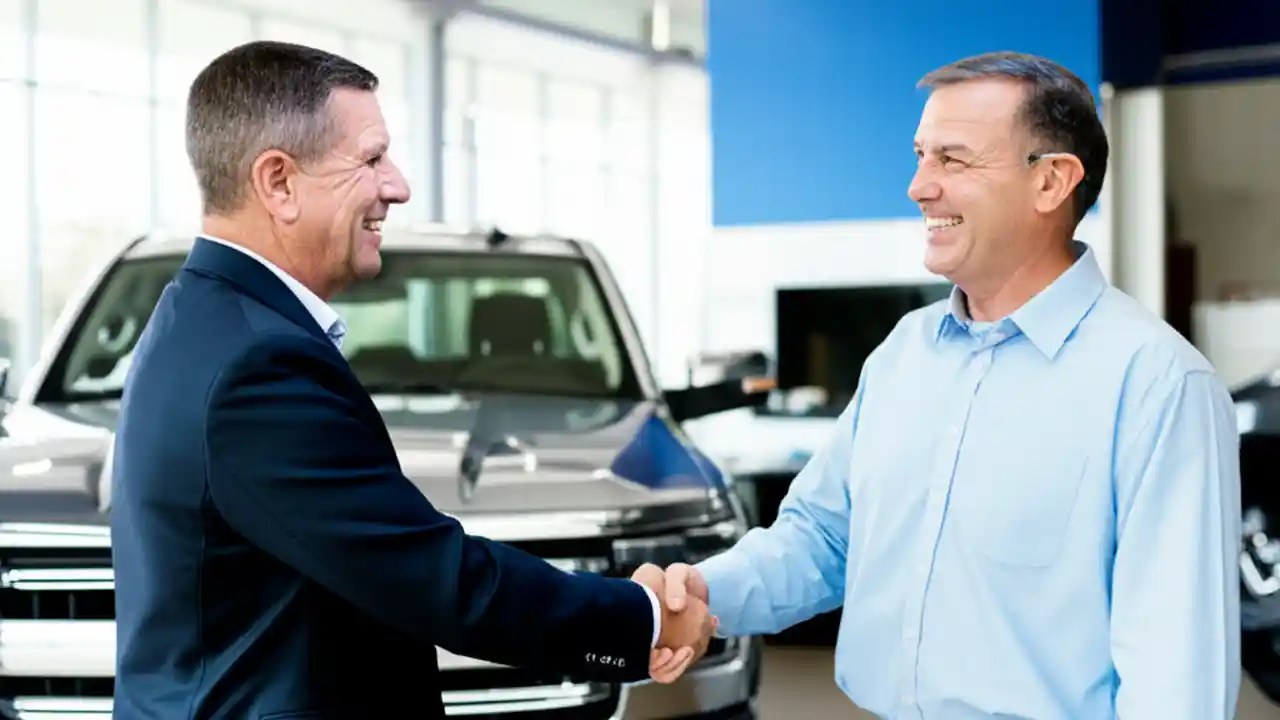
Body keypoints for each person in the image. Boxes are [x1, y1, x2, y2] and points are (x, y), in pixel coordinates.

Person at [110, 40, 712, 719]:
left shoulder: (199, 317)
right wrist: (643, 620)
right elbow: (435, 580)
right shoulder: (259, 365)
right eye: (370, 158)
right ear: (277, 183)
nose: (397, 185)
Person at [659, 51, 1242, 718]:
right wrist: (698, 595)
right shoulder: (904, 354)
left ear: (1051, 181)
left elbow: (1177, 682)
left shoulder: (1158, 386)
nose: (918, 186)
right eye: (920, 156)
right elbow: (823, 539)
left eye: (953, 160)